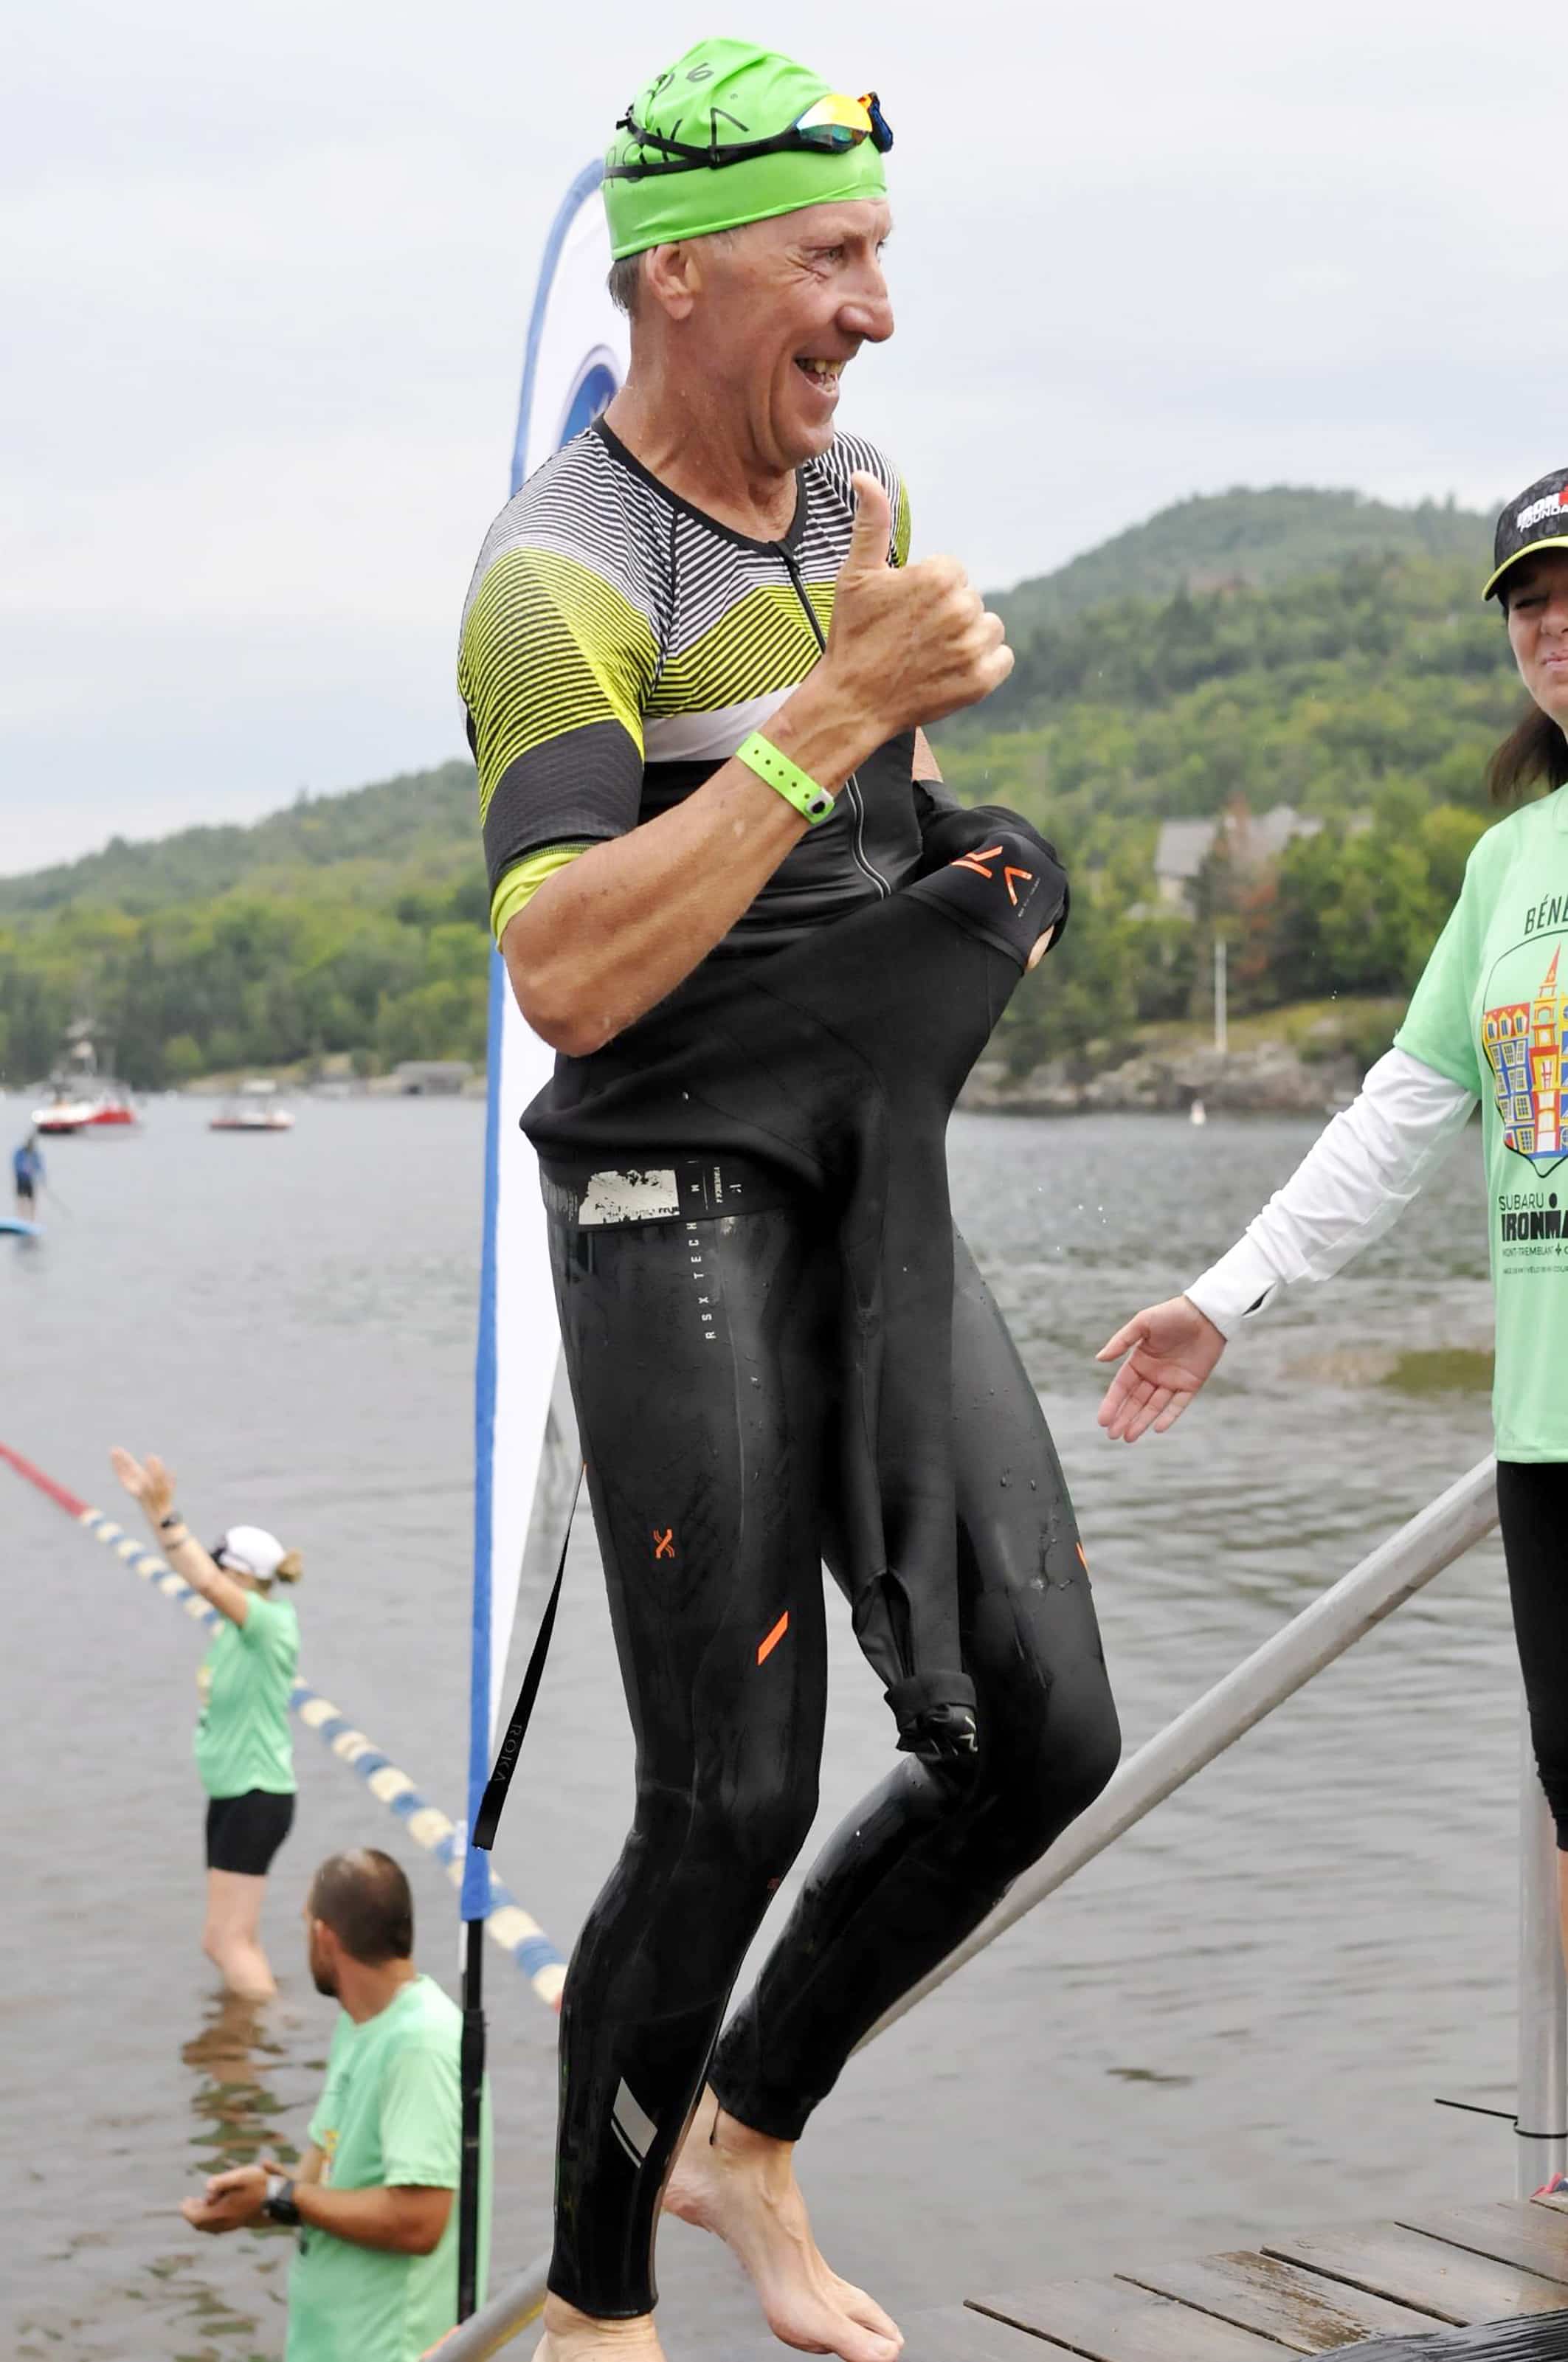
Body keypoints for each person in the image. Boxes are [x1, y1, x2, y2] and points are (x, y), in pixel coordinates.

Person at [460, 38, 1121, 2362]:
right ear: (682, 270)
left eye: (881, 254)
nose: (875, 309)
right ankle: (600, 2302)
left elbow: (872, 848)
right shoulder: (556, 574)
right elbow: (564, 965)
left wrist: (967, 841)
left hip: (859, 1185)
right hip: (663, 1192)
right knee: (728, 1791)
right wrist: (830, 722)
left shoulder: (861, 499)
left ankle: (752, 2118)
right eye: (831, 257)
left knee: (1040, 1730)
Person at [1096, 465, 1568, 2062]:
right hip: (1545, 1425)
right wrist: (1227, 1296)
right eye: (1528, 600)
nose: (1552, 626)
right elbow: (1401, 1117)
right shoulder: (1507, 869)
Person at [179, 1847, 490, 2362]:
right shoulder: (360, 2023)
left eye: (305, 1926)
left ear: (325, 1936)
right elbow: (322, 2190)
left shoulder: (422, 2042)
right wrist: (262, 2200)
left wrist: (286, 2191)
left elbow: (419, 2219)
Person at [111, 1446, 301, 2000]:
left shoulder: (266, 1624)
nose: (213, 1576)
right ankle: (257, 2042)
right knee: (232, 1938)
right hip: (233, 1794)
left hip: (256, 1794)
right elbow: (203, 1577)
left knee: (224, 1941)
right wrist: (151, 1512)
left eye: (221, 1569)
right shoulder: (238, 1630)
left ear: (241, 1575)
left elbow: (202, 1580)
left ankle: (266, 2035)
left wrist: (164, 1514)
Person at [12, 1131, 43, 1217]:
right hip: (21, 1178)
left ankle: (31, 1216)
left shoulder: (34, 1154)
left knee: (31, 1199)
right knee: (21, 1197)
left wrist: (41, 1176)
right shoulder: (20, 1153)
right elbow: (16, 1163)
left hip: (30, 1180)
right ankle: (21, 1215)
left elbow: (39, 1166)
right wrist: (22, 1170)